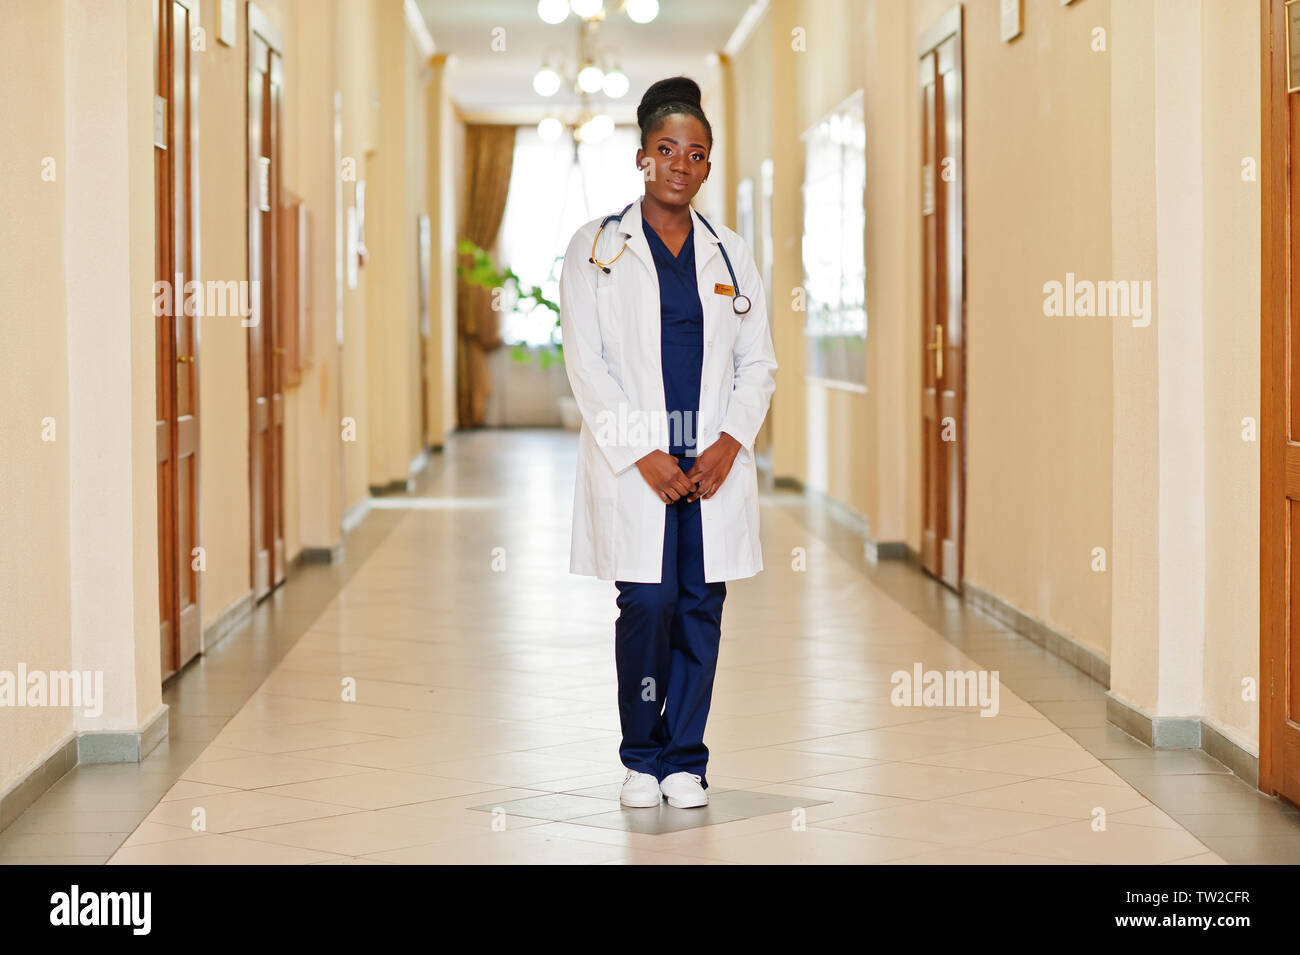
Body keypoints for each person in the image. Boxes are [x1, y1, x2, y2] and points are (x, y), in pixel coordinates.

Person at [558, 76, 778, 809]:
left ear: (708, 166)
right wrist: (642, 452)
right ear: (644, 158)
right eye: (666, 149)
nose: (681, 164)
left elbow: (759, 362)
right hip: (638, 464)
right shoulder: (595, 248)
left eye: (697, 153)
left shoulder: (732, 253)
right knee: (647, 603)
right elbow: (587, 365)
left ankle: (685, 757)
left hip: (709, 464)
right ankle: (640, 755)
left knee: (697, 604)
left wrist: (728, 442)